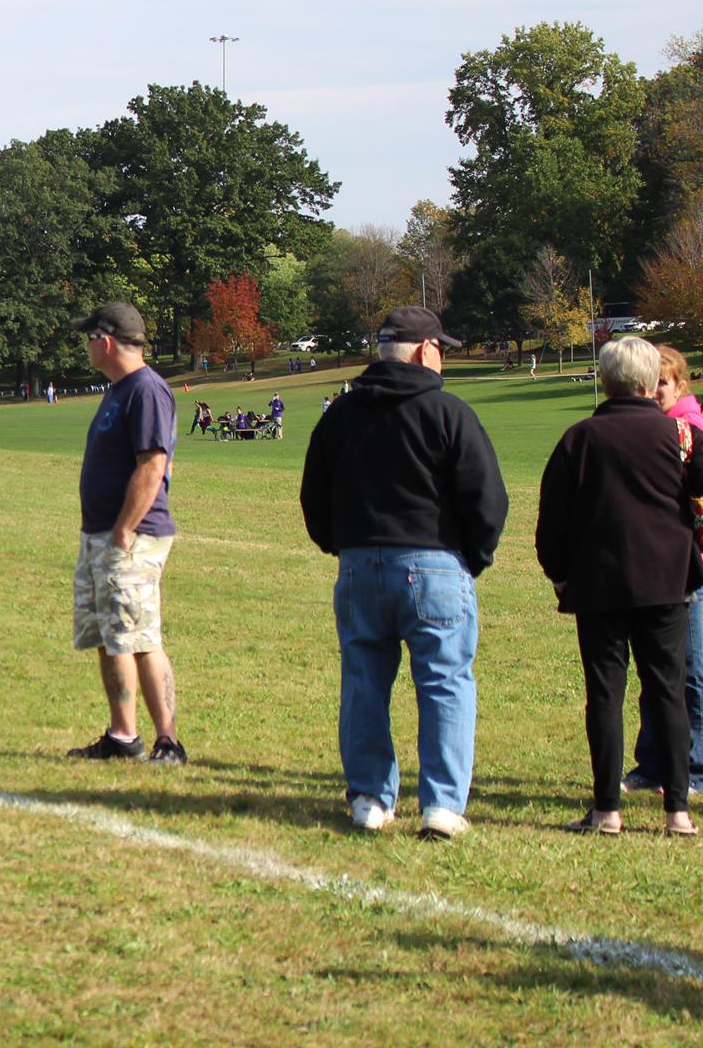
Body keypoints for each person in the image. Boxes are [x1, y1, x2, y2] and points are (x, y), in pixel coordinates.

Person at [299, 307, 508, 838]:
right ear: (422, 350)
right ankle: (441, 806)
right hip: (434, 563)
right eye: (442, 347)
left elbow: (313, 497)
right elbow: (487, 499)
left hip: (359, 564)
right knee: (444, 682)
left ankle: (370, 797)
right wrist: (473, 557)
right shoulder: (447, 412)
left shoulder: (340, 415)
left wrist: (339, 545)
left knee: (364, 682)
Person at [537, 337, 703, 838]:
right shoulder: (682, 436)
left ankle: (607, 809)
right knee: (668, 693)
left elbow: (552, 524)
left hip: (598, 585)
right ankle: (678, 811)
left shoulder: (579, 438)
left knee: (605, 696)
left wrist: (560, 574)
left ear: (605, 380)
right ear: (651, 381)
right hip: (667, 584)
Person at [64, 302, 186, 765]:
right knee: (112, 635)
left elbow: (154, 464)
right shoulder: (119, 389)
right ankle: (122, 736)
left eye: (89, 336)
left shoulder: (146, 390)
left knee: (139, 636)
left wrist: (124, 529)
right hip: (102, 534)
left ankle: (168, 741)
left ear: (106, 340)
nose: (86, 345)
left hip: (130, 539)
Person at [625, 344, 703, 796]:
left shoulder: (690, 431)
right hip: (656, 564)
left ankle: (692, 767)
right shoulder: (649, 430)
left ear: (680, 384)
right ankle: (652, 764)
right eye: (649, 381)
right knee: (654, 670)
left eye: (664, 382)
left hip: (691, 565)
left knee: (689, 671)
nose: (655, 390)